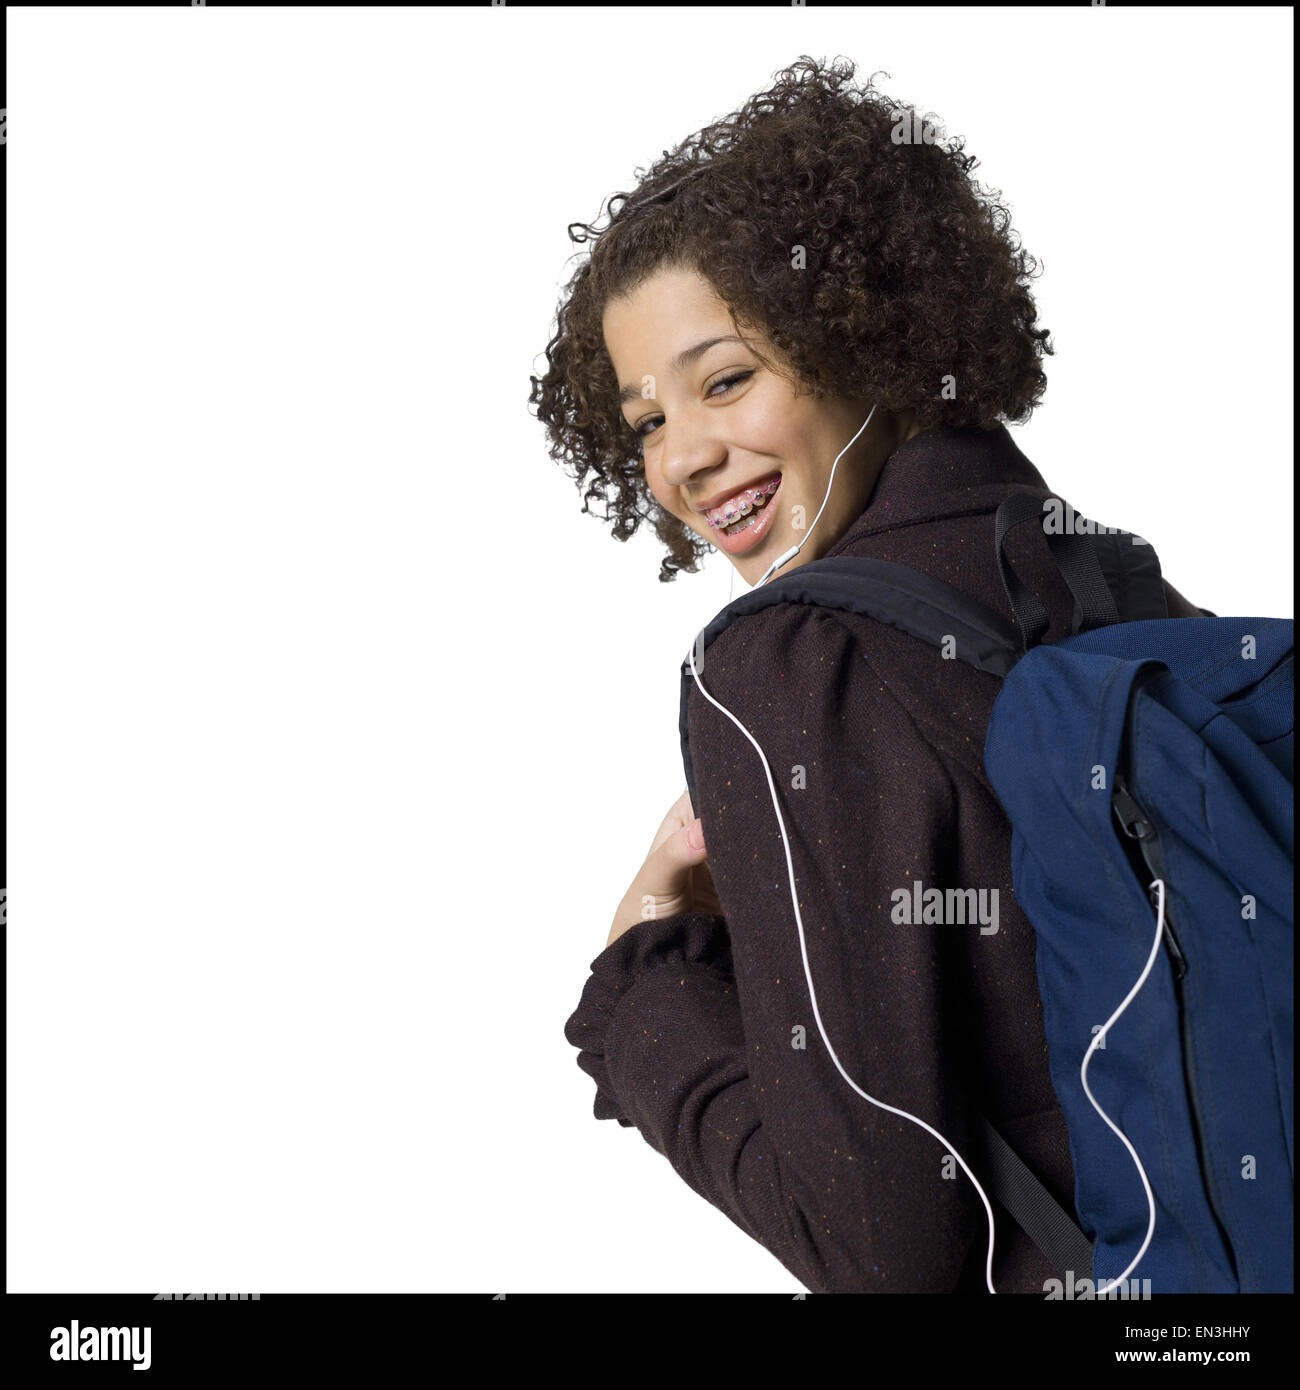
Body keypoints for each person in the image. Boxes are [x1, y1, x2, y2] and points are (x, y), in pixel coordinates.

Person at [530, 56, 1204, 1293]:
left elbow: (881, 1247)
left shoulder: (792, 659)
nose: (684, 458)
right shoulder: (1114, 583)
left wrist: (645, 997)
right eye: (644, 422)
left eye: (724, 379)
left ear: (861, 339)